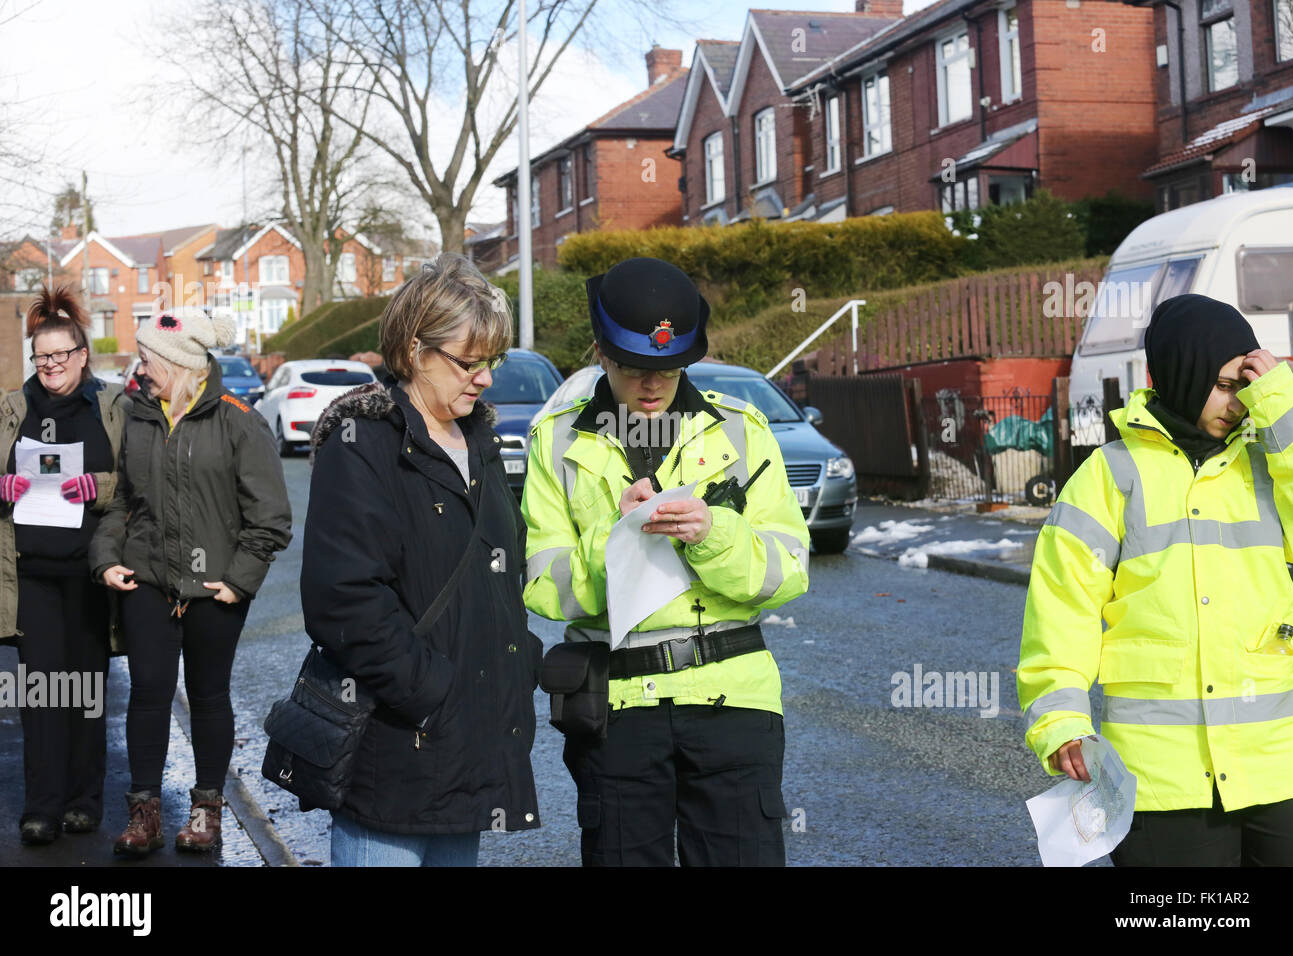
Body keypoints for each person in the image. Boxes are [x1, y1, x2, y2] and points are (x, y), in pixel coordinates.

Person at [522, 256, 810, 866]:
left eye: (669, 369)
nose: (652, 385)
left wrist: (714, 533)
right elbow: (543, 586)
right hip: (618, 707)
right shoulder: (555, 441)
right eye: (633, 368)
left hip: (734, 701)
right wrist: (613, 539)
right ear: (601, 352)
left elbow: (789, 570)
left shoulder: (742, 431)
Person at [1019, 292, 1293, 866]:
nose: (1238, 402)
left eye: (1245, 385)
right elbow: (1061, 612)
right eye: (1224, 384)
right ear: (1181, 373)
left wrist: (1284, 409)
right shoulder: (1110, 476)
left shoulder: (1275, 462)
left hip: (1281, 770)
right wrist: (1062, 722)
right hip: (1161, 783)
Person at [300, 254, 541, 867]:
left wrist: (516, 670)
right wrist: (436, 692)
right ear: (414, 350)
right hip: (395, 756)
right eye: (469, 361)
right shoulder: (365, 445)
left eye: (492, 361)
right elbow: (344, 601)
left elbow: (497, 582)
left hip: (467, 760)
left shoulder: (480, 443)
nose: (485, 377)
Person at [89, 307, 292, 857]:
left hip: (213, 589)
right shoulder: (138, 417)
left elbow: (271, 517)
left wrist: (237, 580)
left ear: (177, 363)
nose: (140, 367)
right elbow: (124, 503)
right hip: (148, 581)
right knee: (148, 696)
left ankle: (206, 810)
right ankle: (144, 813)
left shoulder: (236, 420)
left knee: (207, 697)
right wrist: (107, 557)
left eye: (148, 358)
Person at [0, 286, 127, 845]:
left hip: (92, 574)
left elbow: (139, 484)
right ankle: (42, 806)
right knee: (41, 694)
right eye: (41, 356)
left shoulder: (113, 409)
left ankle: (84, 802)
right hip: (31, 576)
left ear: (82, 354)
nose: (50, 365)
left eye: (61, 354)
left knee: (87, 691)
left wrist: (96, 486)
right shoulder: (9, 410)